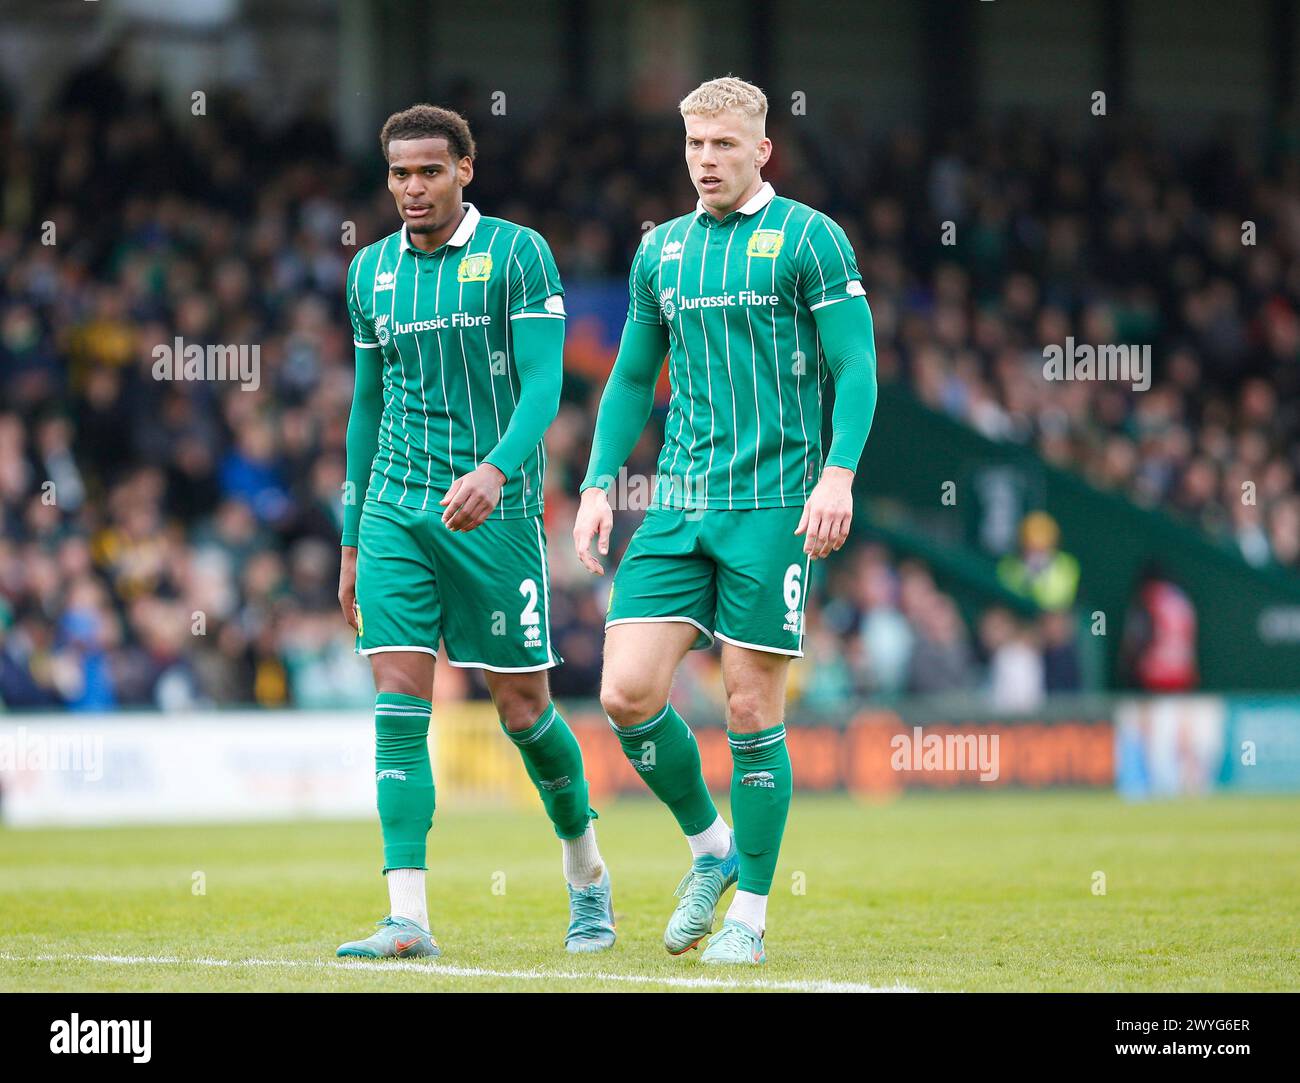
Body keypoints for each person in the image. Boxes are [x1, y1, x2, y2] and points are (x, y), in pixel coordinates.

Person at [572, 77, 878, 965]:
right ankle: (712, 847)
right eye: (695, 145)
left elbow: (856, 366)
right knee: (626, 692)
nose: (706, 160)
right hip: (678, 501)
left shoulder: (811, 239)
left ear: (761, 150)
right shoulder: (661, 250)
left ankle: (750, 912)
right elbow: (633, 377)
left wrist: (838, 475)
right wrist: (597, 483)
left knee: (749, 706)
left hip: (775, 504)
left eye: (723, 145)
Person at [335, 104, 613, 960]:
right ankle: (407, 916)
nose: (412, 188)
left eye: (429, 170)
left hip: (496, 513)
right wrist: (351, 537)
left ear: (465, 168)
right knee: (397, 703)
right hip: (395, 509)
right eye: (399, 173)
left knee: (523, 708)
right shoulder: (370, 272)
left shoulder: (518, 255)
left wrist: (494, 470)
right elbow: (366, 407)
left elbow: (543, 388)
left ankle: (586, 872)